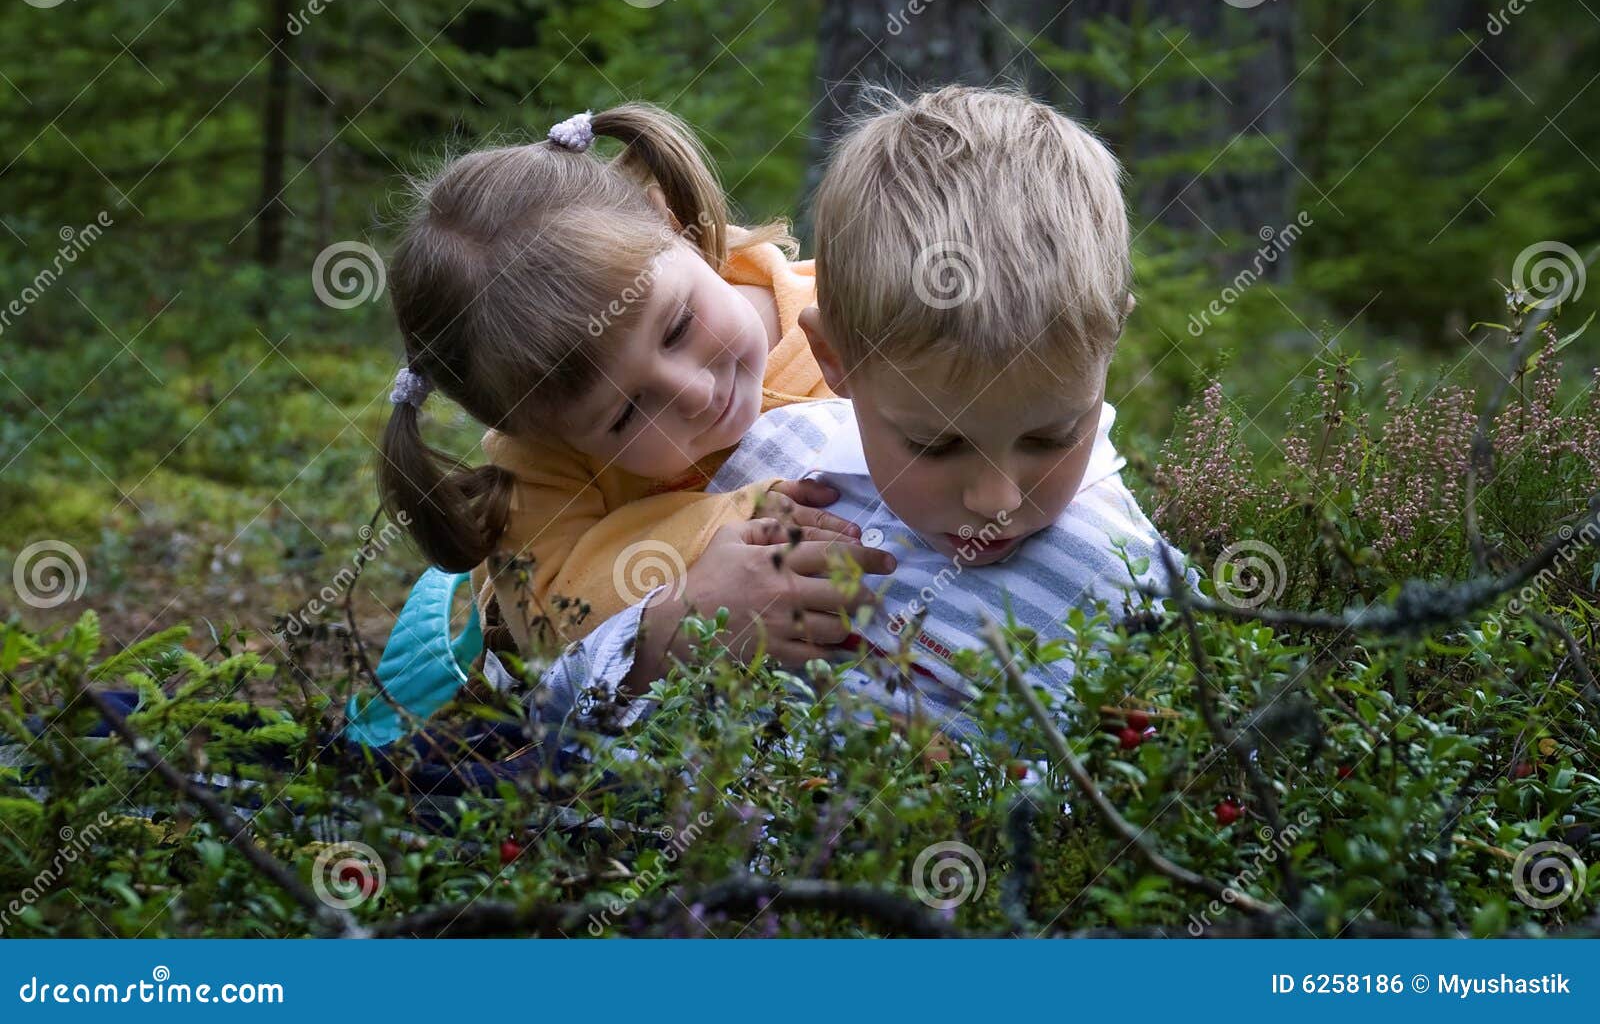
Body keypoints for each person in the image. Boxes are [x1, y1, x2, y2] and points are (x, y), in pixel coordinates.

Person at [529, 85, 1196, 742]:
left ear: (1111, 342)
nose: (996, 497)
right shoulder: (770, 468)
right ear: (832, 357)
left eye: (1051, 435)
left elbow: (1195, 785)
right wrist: (668, 636)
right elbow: (545, 726)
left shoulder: (1127, 578)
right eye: (934, 444)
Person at [373, 104, 892, 707]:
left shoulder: (861, 312)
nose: (694, 393)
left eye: (676, 327)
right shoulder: (543, 469)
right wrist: (692, 605)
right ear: (535, 431)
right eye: (625, 414)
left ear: (669, 223)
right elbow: (541, 625)